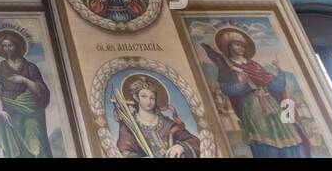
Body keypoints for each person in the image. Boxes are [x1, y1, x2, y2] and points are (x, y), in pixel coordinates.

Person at [201, 27, 310, 158]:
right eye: (237, 44)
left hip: (271, 104)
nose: (241, 48)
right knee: (265, 141)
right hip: (252, 107)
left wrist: (280, 72)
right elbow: (227, 91)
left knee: (288, 136)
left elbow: (276, 87)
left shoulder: (254, 66)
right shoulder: (226, 68)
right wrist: (241, 83)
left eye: (243, 45)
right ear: (229, 47)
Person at [0, 29, 52, 157]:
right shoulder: (0, 67)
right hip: (9, 111)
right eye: (4, 46)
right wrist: (1, 110)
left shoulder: (30, 67)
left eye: (10, 45)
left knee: (35, 140)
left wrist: (23, 80)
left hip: (30, 111)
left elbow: (42, 91)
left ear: (17, 46)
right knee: (16, 148)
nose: (7, 49)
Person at [114, 74, 200, 158]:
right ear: (136, 98)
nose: (149, 101)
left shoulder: (168, 124)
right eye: (144, 96)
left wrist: (181, 147)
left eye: (152, 98)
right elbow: (125, 152)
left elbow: (193, 140)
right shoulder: (130, 126)